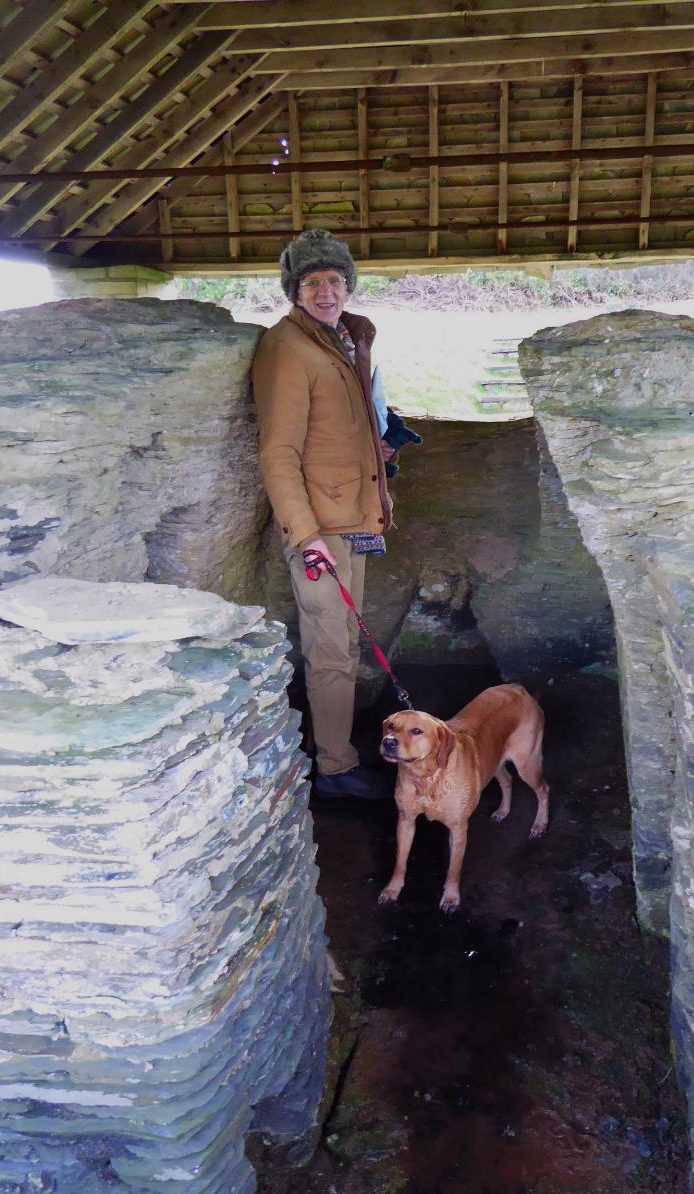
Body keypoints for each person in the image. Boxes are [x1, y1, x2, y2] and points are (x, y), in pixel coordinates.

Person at [252, 229, 396, 799]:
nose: (326, 290)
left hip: (356, 520)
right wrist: (304, 534)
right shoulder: (286, 347)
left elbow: (346, 425)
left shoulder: (341, 342)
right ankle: (335, 767)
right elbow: (278, 451)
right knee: (331, 645)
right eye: (312, 281)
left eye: (335, 280)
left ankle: (341, 749)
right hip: (321, 529)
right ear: (295, 290)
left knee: (347, 641)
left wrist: (375, 453)